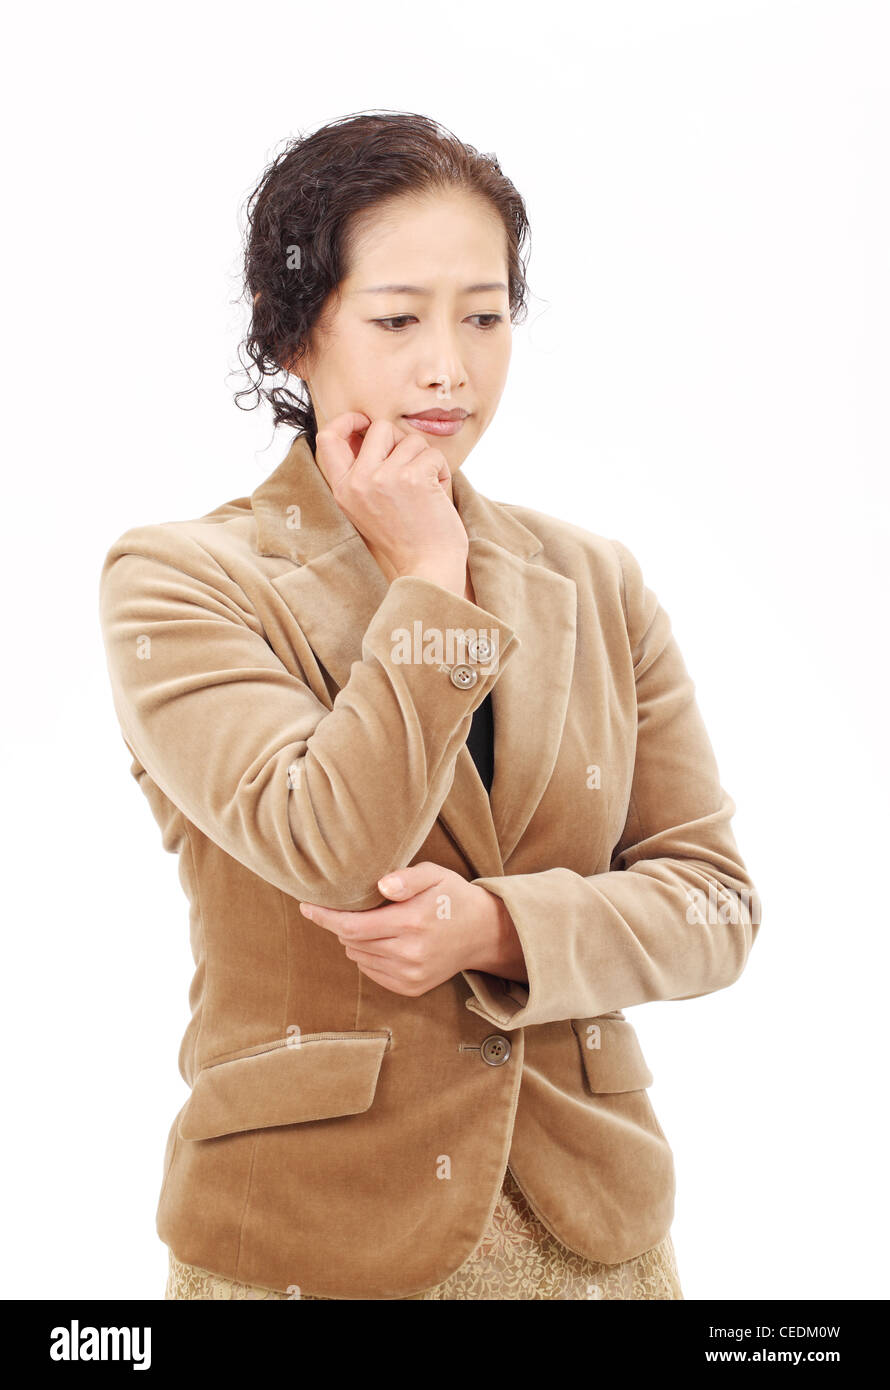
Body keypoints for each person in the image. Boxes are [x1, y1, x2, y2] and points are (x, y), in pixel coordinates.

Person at [98, 110, 761, 1300]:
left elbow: (711, 900)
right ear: (295, 338)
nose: (447, 365)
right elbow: (330, 844)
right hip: (308, 1240)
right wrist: (428, 581)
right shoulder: (182, 577)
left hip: (594, 1242)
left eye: (485, 315)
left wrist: (499, 929)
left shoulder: (593, 581)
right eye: (398, 319)